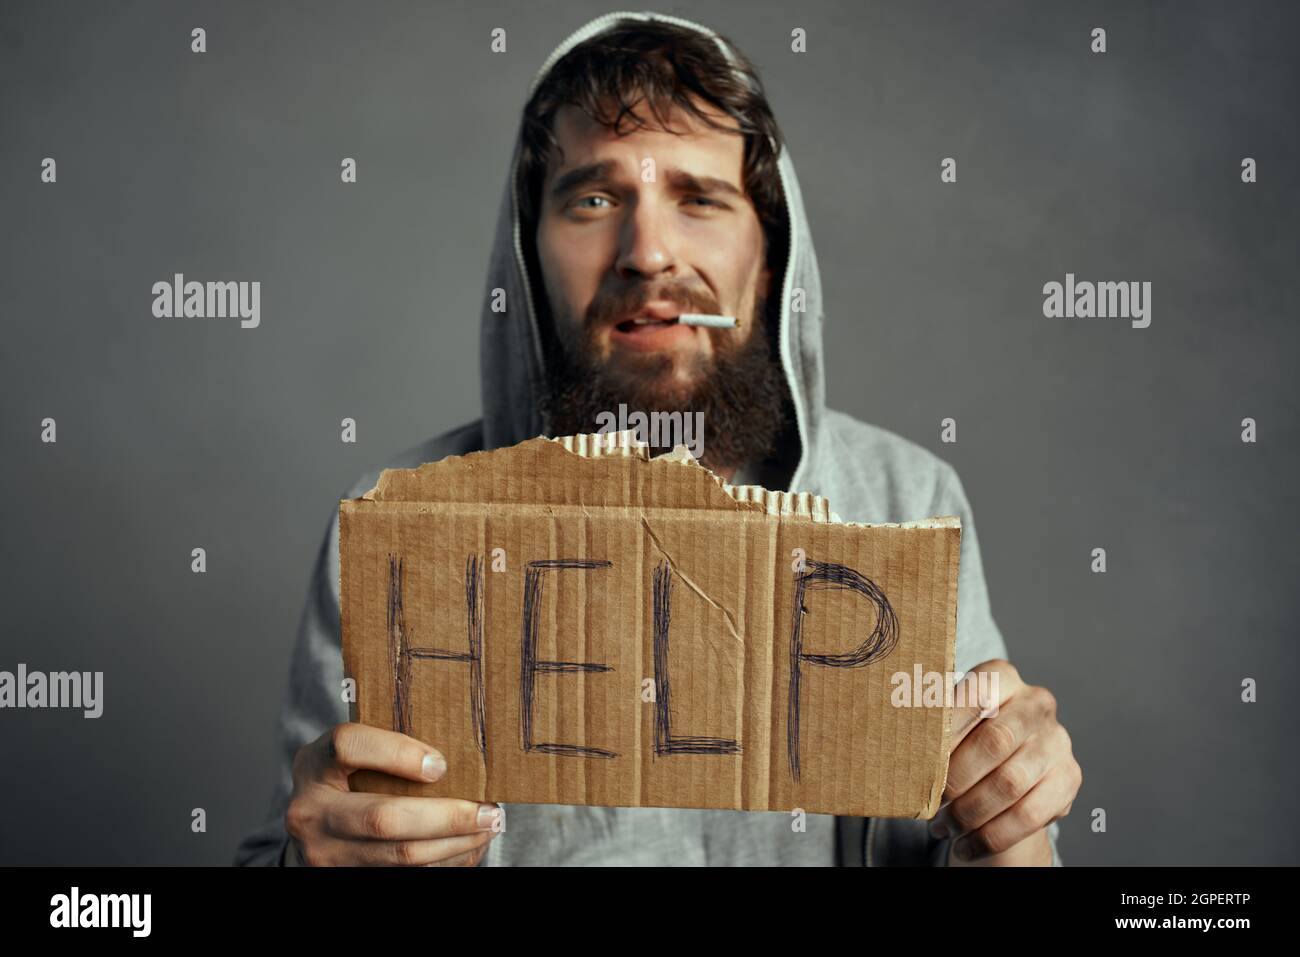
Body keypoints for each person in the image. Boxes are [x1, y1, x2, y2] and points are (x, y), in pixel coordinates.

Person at [235, 11, 1080, 867]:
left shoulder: (909, 503)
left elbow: (993, 842)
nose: (648, 252)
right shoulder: (395, 525)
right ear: (529, 259)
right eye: (595, 199)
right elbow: (290, 846)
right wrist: (315, 862)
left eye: (700, 199)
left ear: (771, 255)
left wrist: (1007, 824)